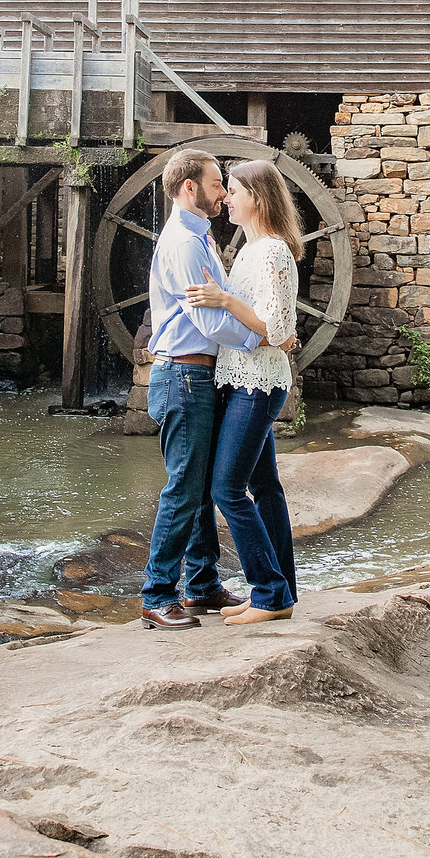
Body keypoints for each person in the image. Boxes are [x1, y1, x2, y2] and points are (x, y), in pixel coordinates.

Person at [139, 150, 268, 631]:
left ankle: (201, 585)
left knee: (201, 487)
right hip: (183, 376)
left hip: (198, 376)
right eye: (217, 184)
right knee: (184, 489)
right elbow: (210, 320)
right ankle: (156, 594)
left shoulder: (201, 238)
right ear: (189, 188)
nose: (223, 193)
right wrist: (261, 337)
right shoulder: (185, 245)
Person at [184, 159, 301, 626]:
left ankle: (271, 595)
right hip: (247, 380)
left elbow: (276, 328)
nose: (225, 198)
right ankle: (284, 586)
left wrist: (225, 299)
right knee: (265, 487)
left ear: (257, 197)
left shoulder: (272, 252)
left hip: (257, 384)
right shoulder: (252, 251)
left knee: (226, 489)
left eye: (232, 191)